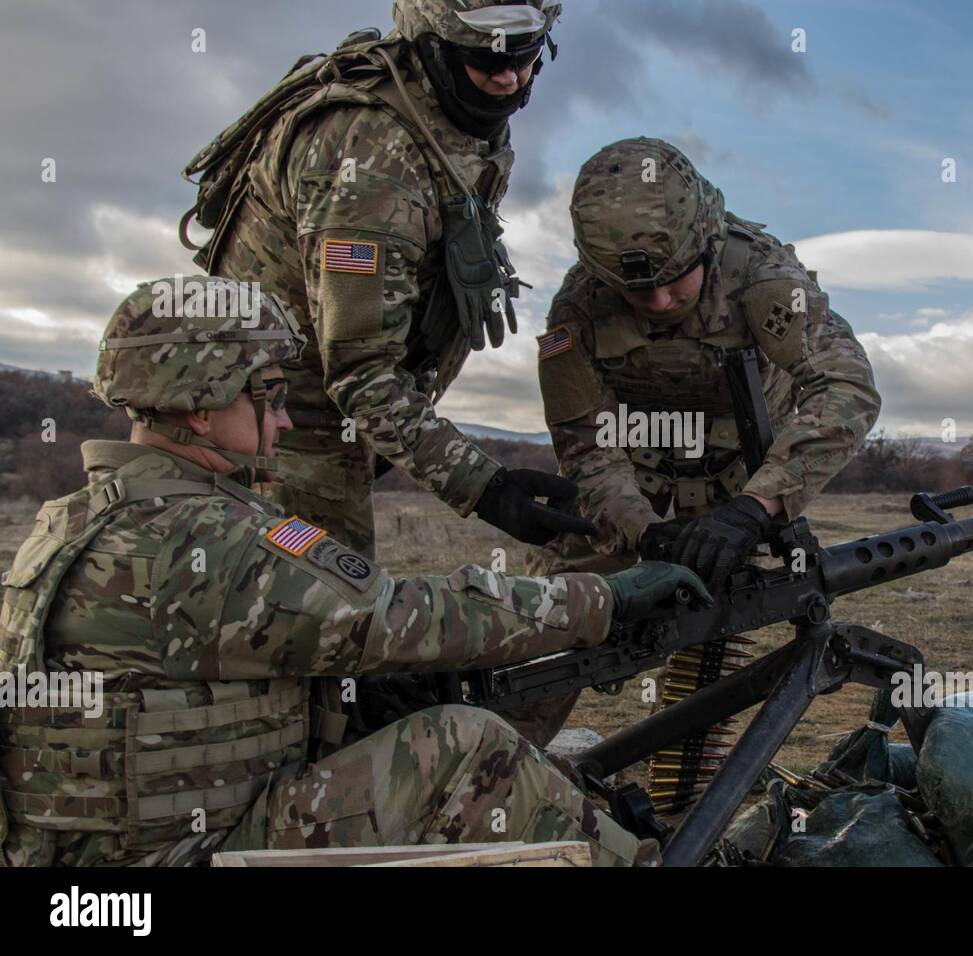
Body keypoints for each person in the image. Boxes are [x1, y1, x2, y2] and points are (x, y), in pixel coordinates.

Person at [0, 277, 707, 867]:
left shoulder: (72, 519)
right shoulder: (204, 536)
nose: (282, 421)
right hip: (185, 858)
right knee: (458, 746)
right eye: (269, 394)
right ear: (200, 400)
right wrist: (605, 598)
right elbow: (407, 616)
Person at [180, 0, 585, 559]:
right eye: (487, 62)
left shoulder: (445, 111)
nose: (510, 78)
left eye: (527, 57)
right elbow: (359, 372)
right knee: (323, 613)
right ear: (432, 48)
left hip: (322, 414)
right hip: (279, 425)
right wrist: (487, 489)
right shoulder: (371, 161)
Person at [528, 136, 882, 589]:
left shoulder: (763, 276)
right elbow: (586, 446)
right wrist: (642, 531)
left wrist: (758, 505)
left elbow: (845, 387)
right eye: (634, 290)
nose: (658, 301)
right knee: (565, 608)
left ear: (707, 240)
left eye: (674, 277)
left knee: (726, 617)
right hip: (628, 481)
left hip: (744, 483)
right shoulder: (578, 308)